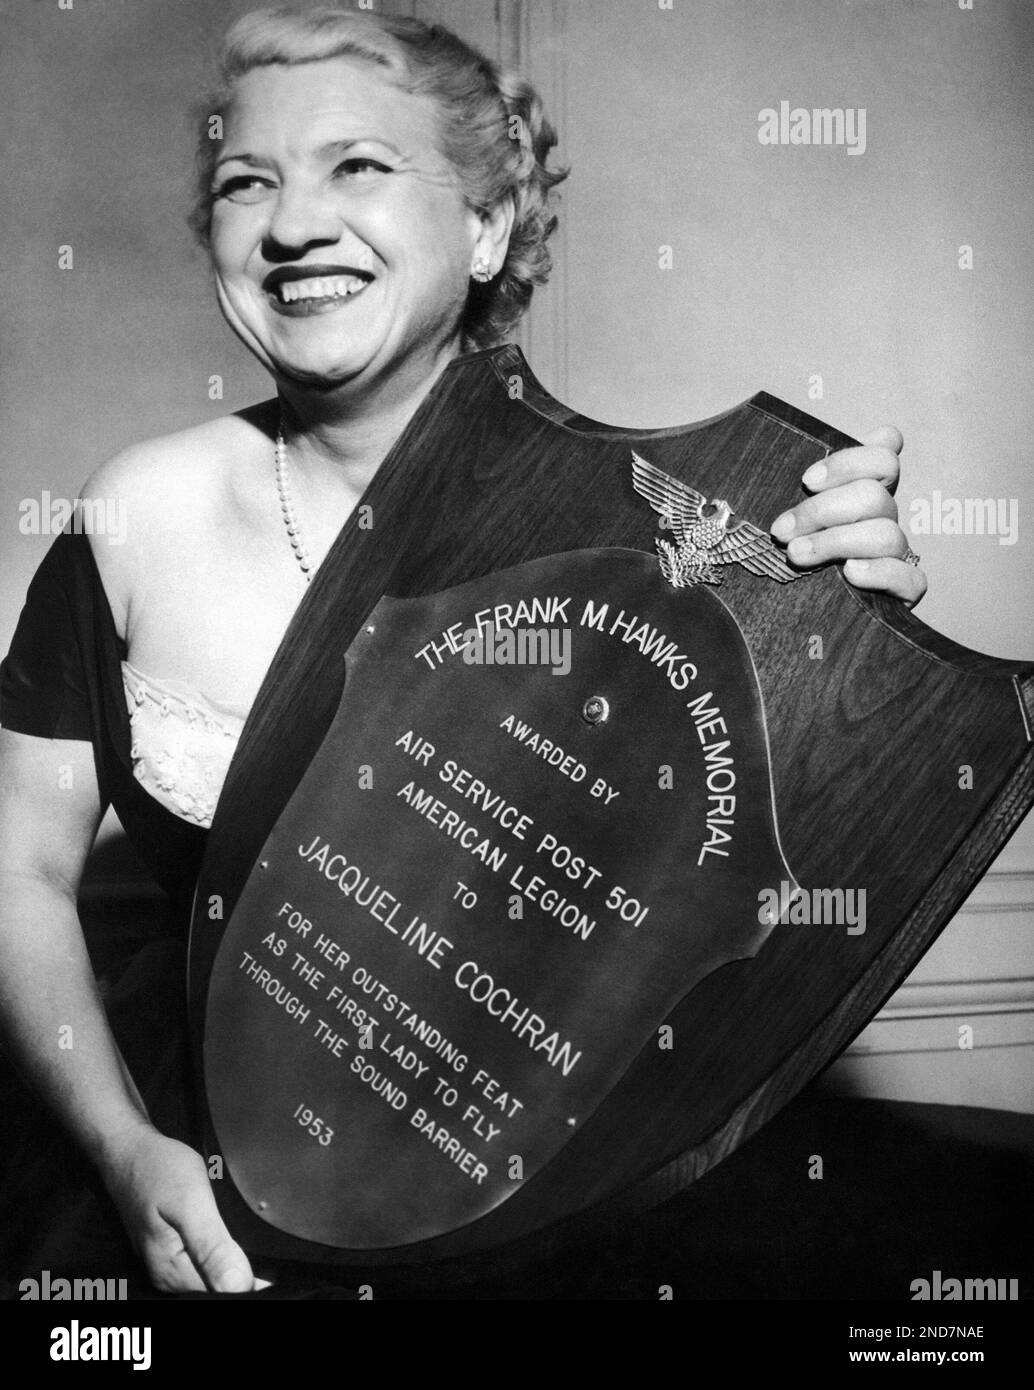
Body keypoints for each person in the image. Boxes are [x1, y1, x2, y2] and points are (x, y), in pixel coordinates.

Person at [0, 4, 926, 1297]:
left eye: (358, 167)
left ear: (488, 226)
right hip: (207, 1172)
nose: (290, 224)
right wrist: (118, 1146)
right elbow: (22, 870)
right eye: (242, 181)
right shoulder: (132, 511)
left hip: (549, 1215)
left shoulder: (677, 535)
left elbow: (769, 909)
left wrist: (850, 642)